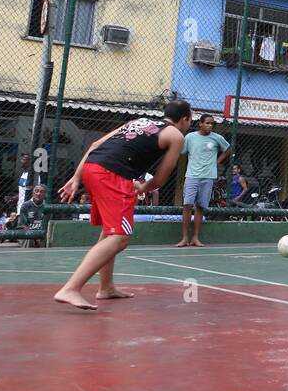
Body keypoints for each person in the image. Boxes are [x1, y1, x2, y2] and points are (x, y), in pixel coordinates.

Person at [53, 100, 192, 310]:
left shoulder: (139, 121)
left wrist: (76, 178)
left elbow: (94, 146)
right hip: (112, 173)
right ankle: (71, 288)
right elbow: (161, 179)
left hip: (92, 168)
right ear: (185, 119)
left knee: (110, 233)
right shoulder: (176, 135)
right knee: (120, 237)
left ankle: (106, 287)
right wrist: (142, 188)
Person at [178, 114, 231, 248]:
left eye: (212, 124)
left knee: (200, 207)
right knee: (187, 205)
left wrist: (217, 162)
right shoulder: (190, 137)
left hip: (208, 176)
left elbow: (228, 149)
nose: (210, 125)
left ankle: (195, 238)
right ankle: (185, 238)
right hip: (192, 176)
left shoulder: (217, 138)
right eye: (207, 123)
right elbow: (182, 151)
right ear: (200, 123)